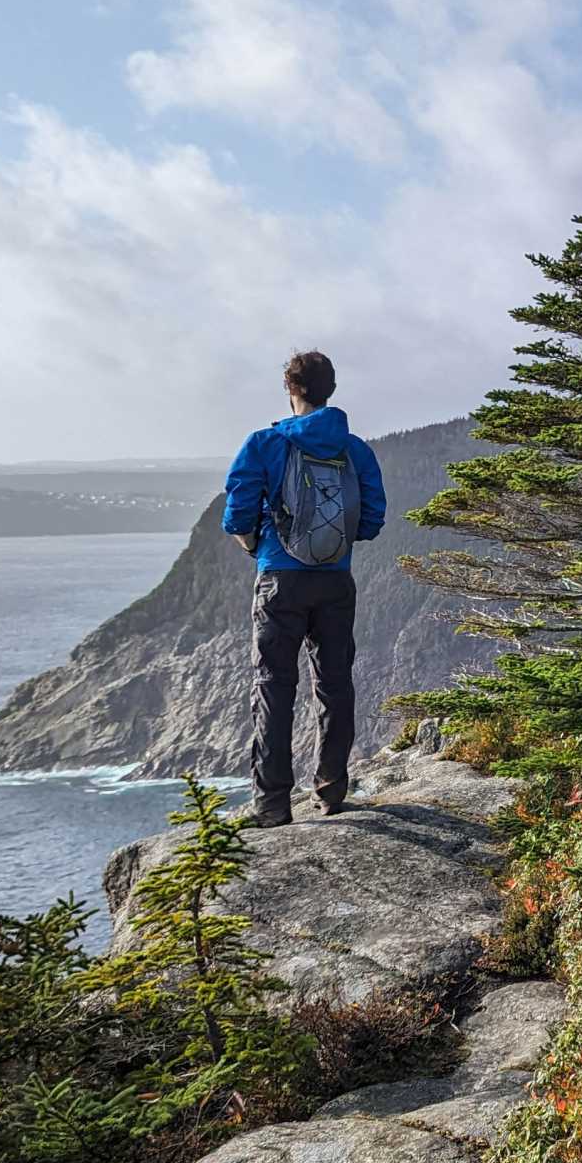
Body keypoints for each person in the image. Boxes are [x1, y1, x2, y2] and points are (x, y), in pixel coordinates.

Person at [222, 350, 387, 826]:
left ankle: (272, 805)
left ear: (289, 388)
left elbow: (237, 512)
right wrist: (331, 543)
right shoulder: (354, 449)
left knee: (274, 686)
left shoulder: (264, 443)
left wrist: (259, 544)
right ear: (329, 389)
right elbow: (372, 518)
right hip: (335, 580)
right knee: (334, 685)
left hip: (280, 579)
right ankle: (331, 790)